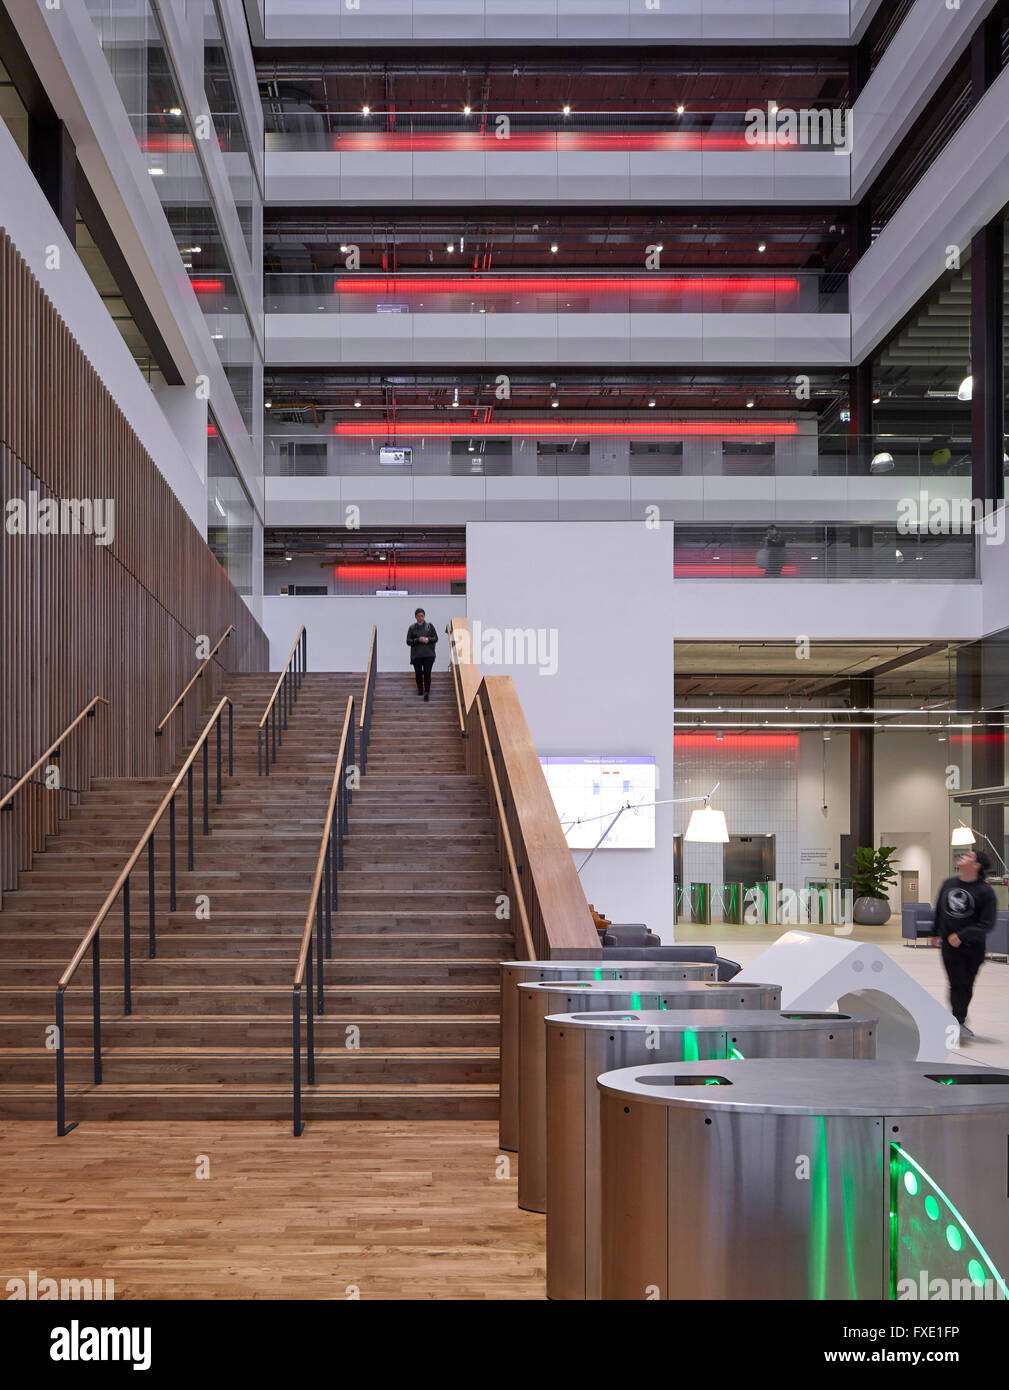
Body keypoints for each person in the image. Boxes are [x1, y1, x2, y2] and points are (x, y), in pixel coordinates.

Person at [933, 848, 996, 1041]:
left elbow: (987, 923)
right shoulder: (949, 884)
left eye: (968, 856)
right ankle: (957, 1021)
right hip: (949, 946)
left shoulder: (985, 891)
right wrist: (935, 933)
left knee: (965, 984)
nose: (963, 857)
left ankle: (958, 1019)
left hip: (972, 948)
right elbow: (940, 911)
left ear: (976, 865)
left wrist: (963, 935)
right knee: (955, 983)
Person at [406, 607, 437, 701]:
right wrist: (418, 639)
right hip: (417, 655)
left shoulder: (429, 626)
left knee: (427, 673)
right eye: (418, 616)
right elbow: (408, 641)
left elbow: (435, 638)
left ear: (424, 616)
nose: (420, 617)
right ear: (415, 617)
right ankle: (420, 690)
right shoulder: (412, 628)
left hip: (429, 654)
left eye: (422, 616)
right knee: (418, 674)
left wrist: (428, 639)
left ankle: (427, 692)